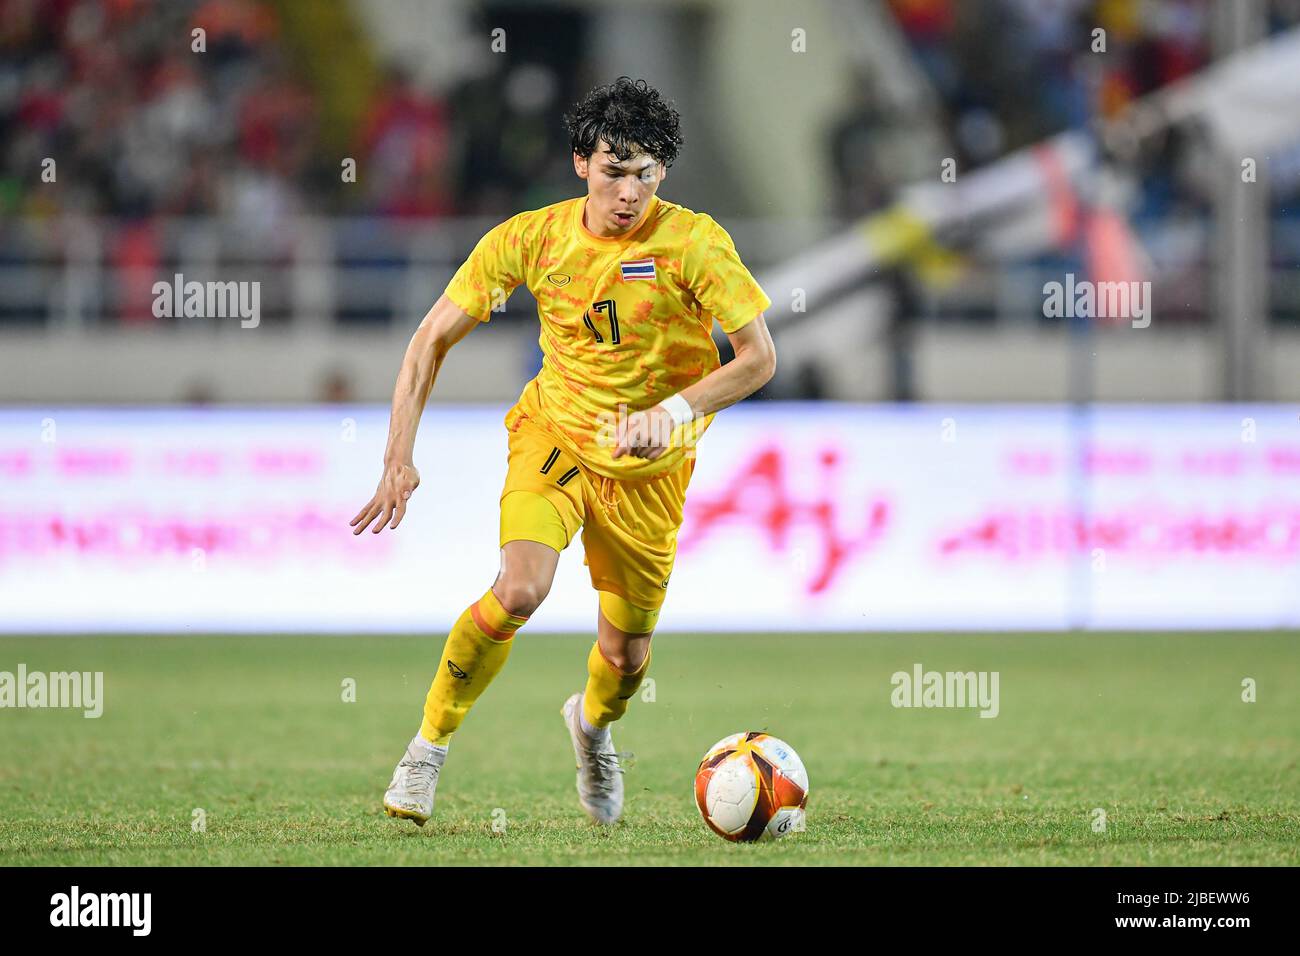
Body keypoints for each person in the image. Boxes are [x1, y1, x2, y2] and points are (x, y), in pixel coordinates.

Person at [351, 77, 776, 827]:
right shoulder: (531, 239)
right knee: (519, 590)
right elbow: (430, 339)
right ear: (581, 162)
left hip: (651, 473)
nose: (629, 192)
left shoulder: (696, 244)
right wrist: (397, 456)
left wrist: (672, 411)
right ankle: (425, 753)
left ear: (663, 174)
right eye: (614, 171)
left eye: (646, 174)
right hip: (555, 439)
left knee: (627, 660)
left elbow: (757, 358)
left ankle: (592, 727)